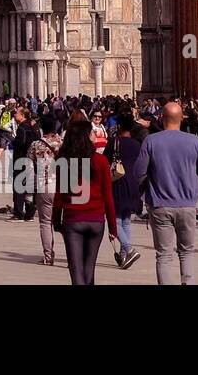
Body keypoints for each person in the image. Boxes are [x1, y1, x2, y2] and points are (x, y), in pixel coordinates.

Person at [132, 101, 198, 284]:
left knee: (164, 255)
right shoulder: (195, 141)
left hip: (160, 204)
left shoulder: (151, 141)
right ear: (182, 119)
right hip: (187, 204)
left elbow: (138, 171)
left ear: (162, 118)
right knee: (186, 252)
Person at [52, 120, 118, 285]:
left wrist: (56, 221)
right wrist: (113, 226)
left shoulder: (66, 161)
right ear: (86, 136)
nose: (95, 135)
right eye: (92, 132)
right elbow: (108, 196)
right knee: (89, 269)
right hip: (96, 219)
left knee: (76, 270)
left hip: (73, 218)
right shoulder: (100, 161)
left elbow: (59, 195)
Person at [107, 115, 143, 269]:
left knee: (115, 221)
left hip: (118, 183)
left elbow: (104, 161)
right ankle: (124, 256)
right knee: (126, 220)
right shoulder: (137, 144)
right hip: (133, 183)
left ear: (119, 127)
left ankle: (129, 249)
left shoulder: (114, 142)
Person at [29, 116, 63, 265]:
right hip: (61, 186)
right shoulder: (62, 143)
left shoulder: (36, 145)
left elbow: (29, 168)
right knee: (65, 222)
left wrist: (28, 192)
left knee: (45, 222)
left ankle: (48, 257)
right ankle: (72, 255)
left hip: (44, 185)